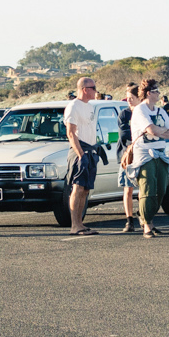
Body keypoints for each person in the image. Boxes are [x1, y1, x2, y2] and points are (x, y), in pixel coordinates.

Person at [128, 80, 169, 238]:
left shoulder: (160, 111)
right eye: (156, 91)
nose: (159, 94)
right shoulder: (140, 110)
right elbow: (151, 129)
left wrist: (159, 131)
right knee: (148, 190)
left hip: (160, 152)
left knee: (161, 190)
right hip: (144, 154)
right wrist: (159, 131)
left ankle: (145, 216)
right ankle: (147, 225)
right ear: (149, 93)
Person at [62, 78, 104, 236]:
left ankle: (80, 223)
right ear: (85, 89)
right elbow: (71, 133)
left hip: (91, 149)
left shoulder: (90, 107)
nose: (96, 91)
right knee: (77, 188)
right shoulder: (73, 106)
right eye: (93, 88)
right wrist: (81, 155)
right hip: (80, 150)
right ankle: (75, 225)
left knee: (85, 189)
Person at [117, 84, 141, 232]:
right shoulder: (124, 114)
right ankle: (129, 220)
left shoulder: (145, 112)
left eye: (132, 98)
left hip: (143, 154)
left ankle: (144, 218)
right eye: (127, 98)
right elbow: (124, 135)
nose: (129, 101)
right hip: (127, 155)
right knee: (128, 189)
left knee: (144, 190)